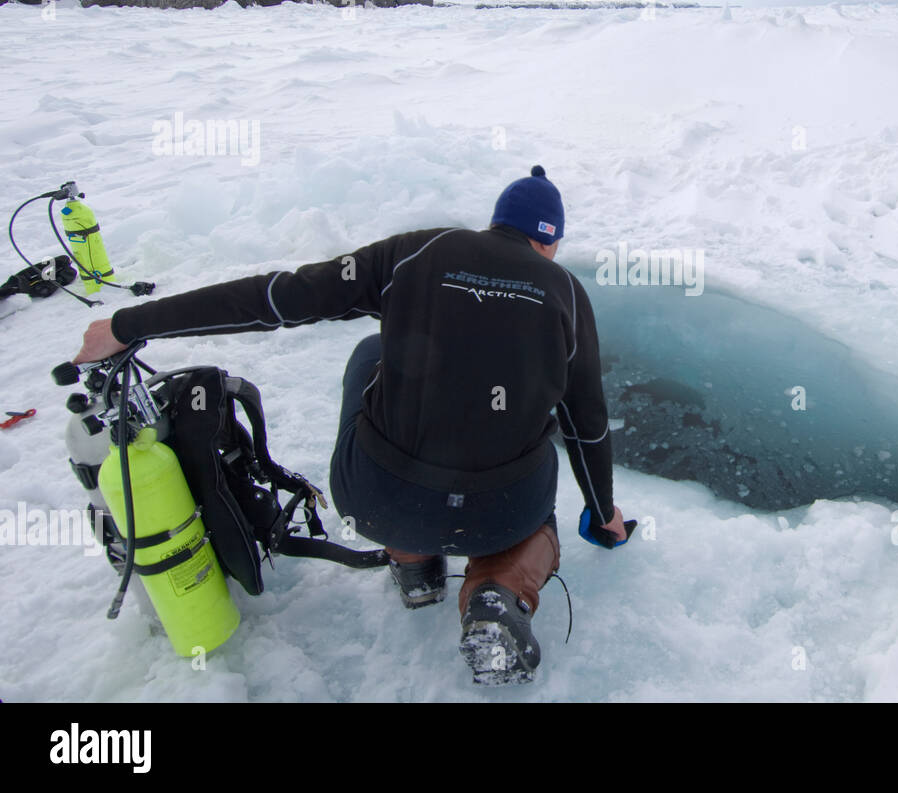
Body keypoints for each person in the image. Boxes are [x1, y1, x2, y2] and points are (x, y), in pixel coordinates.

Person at [73, 165, 632, 685]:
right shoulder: (567, 294)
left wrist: (131, 323)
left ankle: (414, 565)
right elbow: (588, 425)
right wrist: (603, 513)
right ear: (550, 241)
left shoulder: (418, 251)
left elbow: (277, 298)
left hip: (381, 500)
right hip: (502, 515)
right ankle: (497, 596)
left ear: (494, 222)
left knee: (371, 354)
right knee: (543, 461)